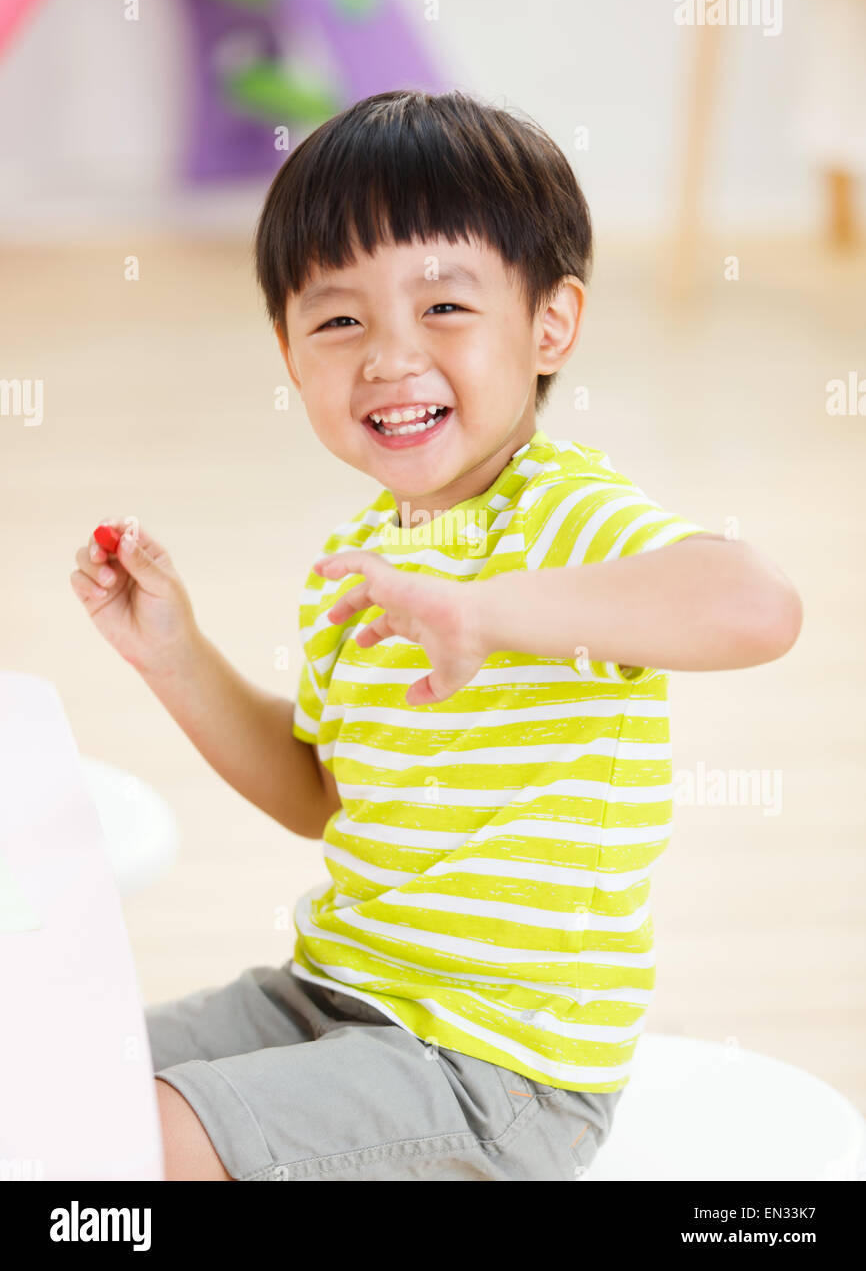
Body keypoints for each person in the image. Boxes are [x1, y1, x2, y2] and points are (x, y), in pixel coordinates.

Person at [71, 88, 803, 1181]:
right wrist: (172, 653)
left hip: (492, 1068)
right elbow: (319, 791)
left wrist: (486, 611)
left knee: (154, 1139)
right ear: (289, 354)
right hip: (328, 995)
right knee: (58, 1079)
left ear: (549, 323)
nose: (387, 354)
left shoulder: (560, 512)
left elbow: (755, 606)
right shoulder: (357, 560)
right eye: (337, 319)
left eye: (445, 308)